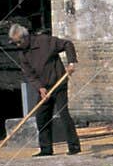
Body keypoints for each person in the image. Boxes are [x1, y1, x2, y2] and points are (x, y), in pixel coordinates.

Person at [8, 24, 81, 156]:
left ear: (26, 38)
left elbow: (67, 44)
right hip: (43, 88)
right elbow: (30, 74)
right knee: (41, 116)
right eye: (15, 43)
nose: (18, 45)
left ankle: (74, 146)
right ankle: (46, 149)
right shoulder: (22, 55)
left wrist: (71, 62)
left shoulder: (44, 41)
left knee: (63, 114)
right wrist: (40, 88)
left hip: (58, 83)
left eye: (19, 42)